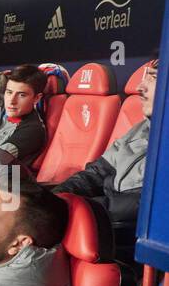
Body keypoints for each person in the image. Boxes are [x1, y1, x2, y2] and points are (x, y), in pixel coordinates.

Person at [57, 58, 156, 263]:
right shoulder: (142, 128)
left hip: (135, 240)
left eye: (153, 79)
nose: (140, 87)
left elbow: (148, 203)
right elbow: (97, 172)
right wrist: (57, 197)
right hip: (107, 227)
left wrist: (86, 209)